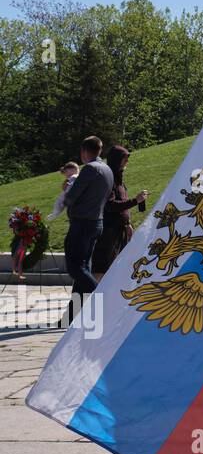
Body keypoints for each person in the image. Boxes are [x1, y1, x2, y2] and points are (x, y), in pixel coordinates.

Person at [59, 136, 114, 328]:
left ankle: (105, 302)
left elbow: (72, 197)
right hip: (96, 222)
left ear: (84, 151)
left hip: (82, 224)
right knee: (83, 269)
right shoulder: (107, 169)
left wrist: (65, 195)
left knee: (75, 268)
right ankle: (70, 318)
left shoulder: (90, 169)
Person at [92, 145, 147, 279]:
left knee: (116, 268)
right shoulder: (108, 179)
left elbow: (122, 205)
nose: (127, 162)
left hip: (120, 231)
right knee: (101, 268)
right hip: (108, 232)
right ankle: (93, 298)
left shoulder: (119, 180)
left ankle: (108, 298)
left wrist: (127, 224)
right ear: (117, 160)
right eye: (124, 159)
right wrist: (136, 200)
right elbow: (110, 205)